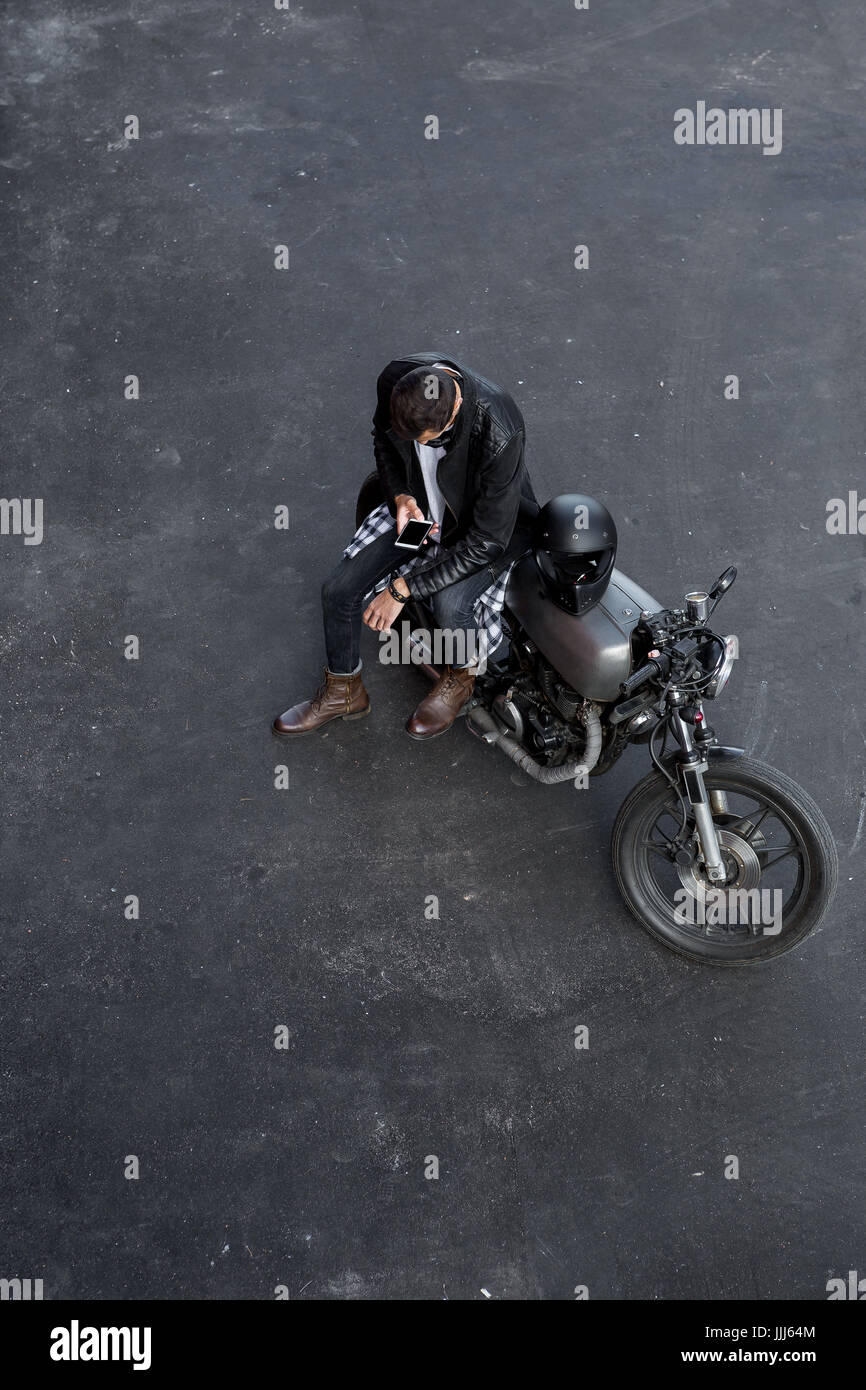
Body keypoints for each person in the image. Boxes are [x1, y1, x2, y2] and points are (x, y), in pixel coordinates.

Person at [273, 352, 537, 740]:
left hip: (487, 530)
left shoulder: (500, 426)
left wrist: (402, 589)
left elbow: (486, 541)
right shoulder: (397, 381)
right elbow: (383, 440)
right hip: (423, 514)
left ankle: (461, 676)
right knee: (338, 590)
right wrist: (400, 495)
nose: (418, 446)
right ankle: (344, 691)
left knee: (451, 603)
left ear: (457, 407)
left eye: (428, 440)